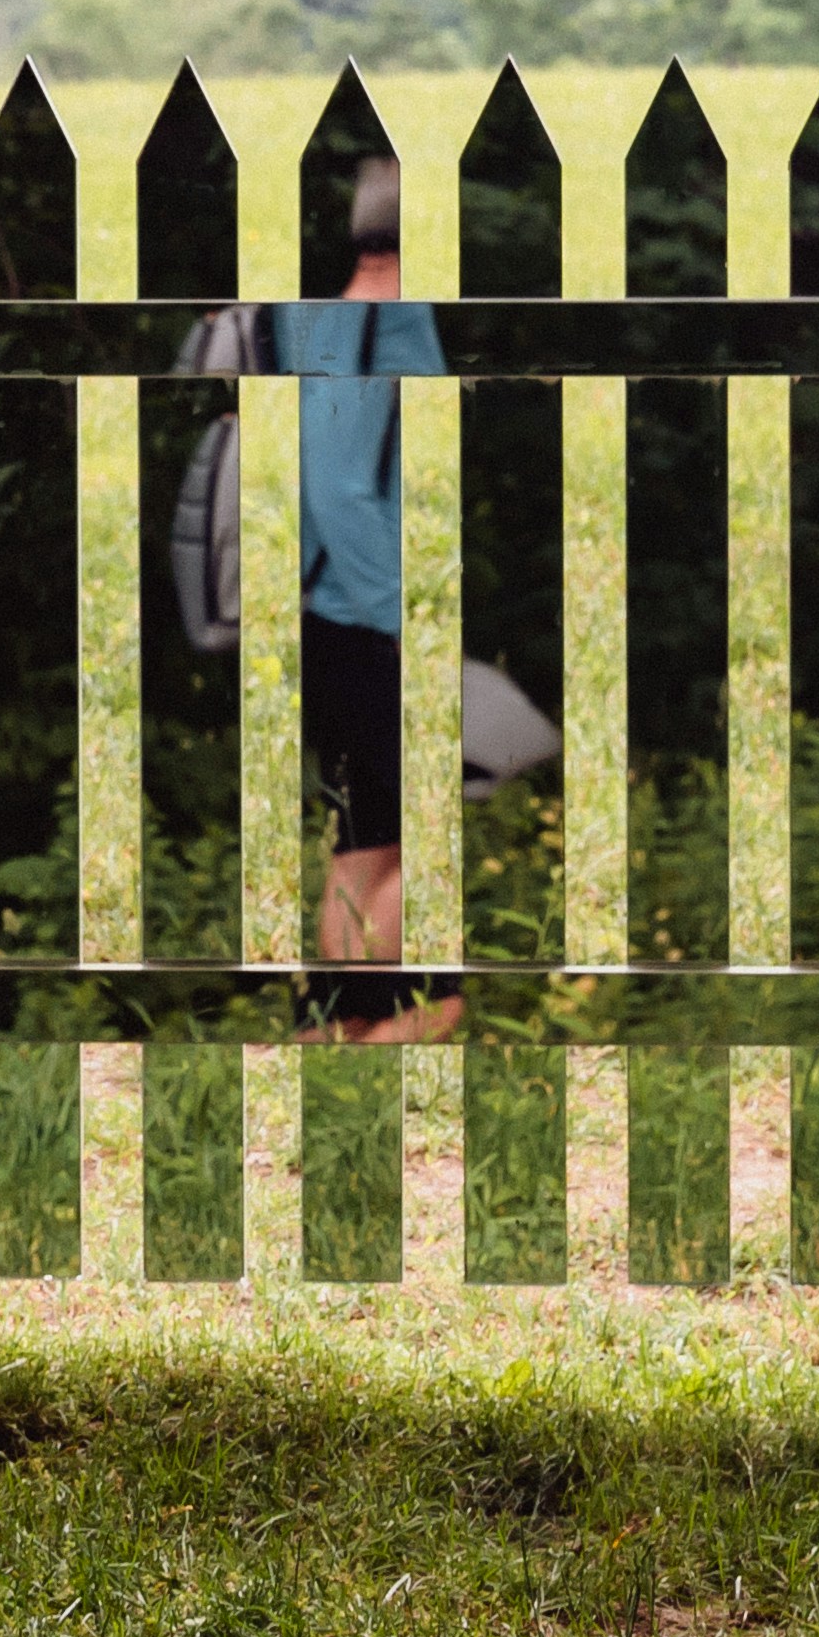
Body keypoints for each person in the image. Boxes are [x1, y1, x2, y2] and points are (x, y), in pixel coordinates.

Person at [270, 152, 450, 1017]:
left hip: (326, 623)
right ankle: (380, 1024)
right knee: (411, 838)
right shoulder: (389, 320)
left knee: (365, 846)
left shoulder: (318, 321)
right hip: (363, 624)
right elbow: (338, 482)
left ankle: (336, 1030)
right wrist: (403, 619)